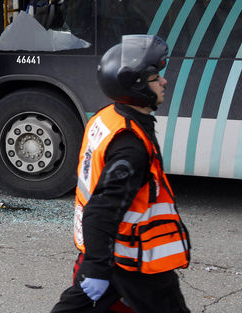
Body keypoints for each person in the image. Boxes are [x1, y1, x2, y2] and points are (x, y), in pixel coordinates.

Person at [51, 34, 191, 313]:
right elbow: (101, 209)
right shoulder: (130, 148)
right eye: (155, 79)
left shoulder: (109, 117)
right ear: (136, 87)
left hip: (108, 251)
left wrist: (94, 262)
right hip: (131, 257)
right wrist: (96, 268)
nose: (164, 82)